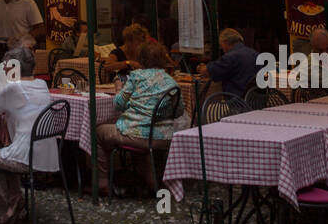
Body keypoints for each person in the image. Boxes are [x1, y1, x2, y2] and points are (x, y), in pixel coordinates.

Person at [94, 42, 185, 195]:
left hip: (136, 135)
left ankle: (102, 183)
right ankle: (149, 181)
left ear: (141, 59)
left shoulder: (136, 77)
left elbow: (118, 104)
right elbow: (179, 111)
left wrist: (118, 89)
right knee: (140, 138)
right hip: (164, 138)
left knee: (97, 132)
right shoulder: (171, 82)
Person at [0, 47, 54, 224]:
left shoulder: (13, 89)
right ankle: (15, 200)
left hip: (25, 156)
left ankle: (4, 210)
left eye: (6, 67)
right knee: (4, 153)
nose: (4, 70)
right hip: (46, 155)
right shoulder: (42, 85)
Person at [199, 28, 258, 95]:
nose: (222, 49)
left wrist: (201, 68)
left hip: (237, 100)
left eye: (221, 45)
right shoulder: (255, 54)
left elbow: (208, 71)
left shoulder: (231, 57)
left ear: (225, 42)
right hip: (256, 100)